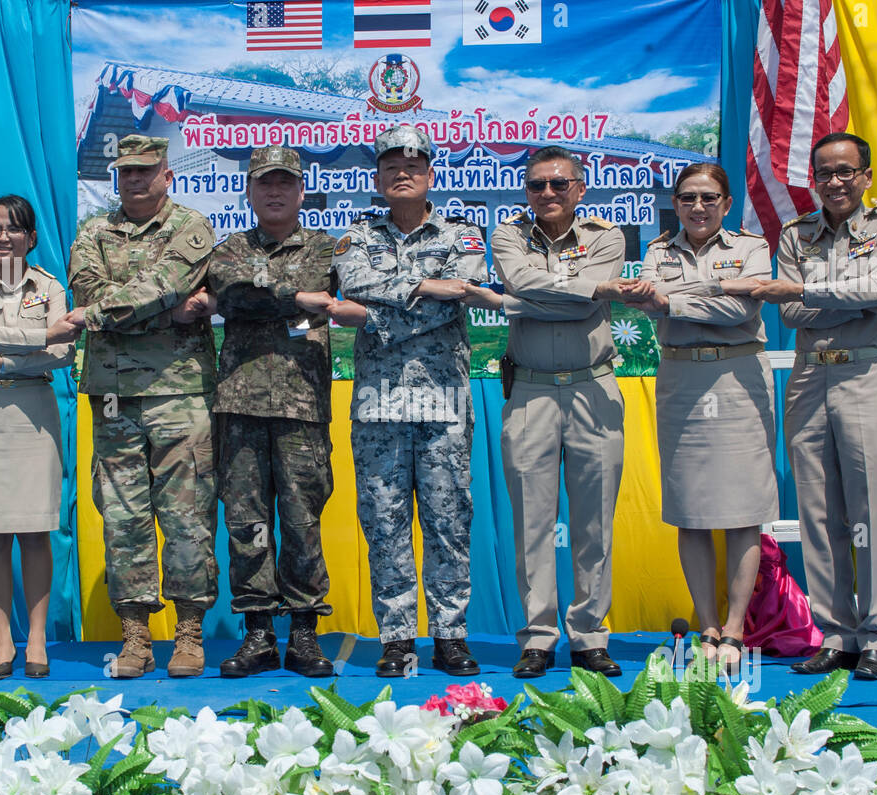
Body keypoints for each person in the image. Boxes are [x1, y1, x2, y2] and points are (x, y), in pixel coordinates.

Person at [464, 145, 629, 679]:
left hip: (592, 389)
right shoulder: (509, 234)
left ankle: (589, 637)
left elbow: (556, 298)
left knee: (593, 522)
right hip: (531, 392)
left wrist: (514, 300)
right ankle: (537, 637)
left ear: (581, 189)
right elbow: (526, 282)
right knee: (532, 524)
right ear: (526, 191)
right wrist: (583, 290)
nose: (548, 194)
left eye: (560, 184)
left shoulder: (606, 236)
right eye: (537, 185)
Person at [331, 125, 488, 678]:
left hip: (443, 400)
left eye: (413, 165)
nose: (402, 173)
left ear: (429, 175)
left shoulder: (461, 235)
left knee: (449, 519)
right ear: (377, 177)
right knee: (385, 519)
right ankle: (396, 637)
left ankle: (450, 634)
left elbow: (461, 295)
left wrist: (382, 306)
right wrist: (426, 286)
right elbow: (353, 284)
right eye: (391, 165)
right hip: (379, 404)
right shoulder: (356, 238)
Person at [751, 131, 877, 680]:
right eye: (824, 173)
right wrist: (857, 295)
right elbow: (790, 317)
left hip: (865, 373)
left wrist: (807, 292)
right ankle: (836, 633)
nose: (835, 181)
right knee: (817, 513)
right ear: (812, 179)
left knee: (870, 511)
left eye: (846, 171)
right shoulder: (797, 233)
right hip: (809, 375)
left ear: (865, 176)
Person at [177, 145, 338, 678]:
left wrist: (277, 294)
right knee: (248, 522)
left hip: (302, 406)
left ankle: (306, 634)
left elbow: (299, 294)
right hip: (239, 404)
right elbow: (237, 297)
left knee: (301, 520)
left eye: (284, 183)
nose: (274, 192)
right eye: (264, 183)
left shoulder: (324, 248)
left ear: (299, 190)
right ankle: (259, 634)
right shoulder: (227, 251)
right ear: (248, 191)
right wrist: (297, 297)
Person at [65, 134, 218, 679]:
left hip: (180, 393)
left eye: (144, 170)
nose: (133, 179)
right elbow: (87, 292)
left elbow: (164, 283)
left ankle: (188, 633)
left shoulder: (192, 227)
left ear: (167, 174)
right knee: (122, 517)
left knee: (187, 515)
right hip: (112, 396)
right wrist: (163, 312)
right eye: (124, 171)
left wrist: (111, 312)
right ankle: (135, 637)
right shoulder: (92, 231)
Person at [627, 163, 778, 677]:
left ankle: (736, 629)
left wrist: (673, 300)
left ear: (726, 203)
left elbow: (740, 311)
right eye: (687, 197)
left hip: (738, 377)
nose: (697, 206)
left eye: (708, 197)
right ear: (675, 202)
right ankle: (708, 626)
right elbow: (651, 308)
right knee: (690, 509)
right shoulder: (656, 250)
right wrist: (711, 294)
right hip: (681, 379)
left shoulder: (752, 247)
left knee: (742, 510)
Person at [0, 194, 80, 679]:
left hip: (33, 411)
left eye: (13, 229)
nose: (3, 236)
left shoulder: (48, 286)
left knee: (35, 530)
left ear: (31, 238)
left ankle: (38, 640)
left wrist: (6, 362)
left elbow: (67, 354)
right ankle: (3, 641)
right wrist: (45, 337)